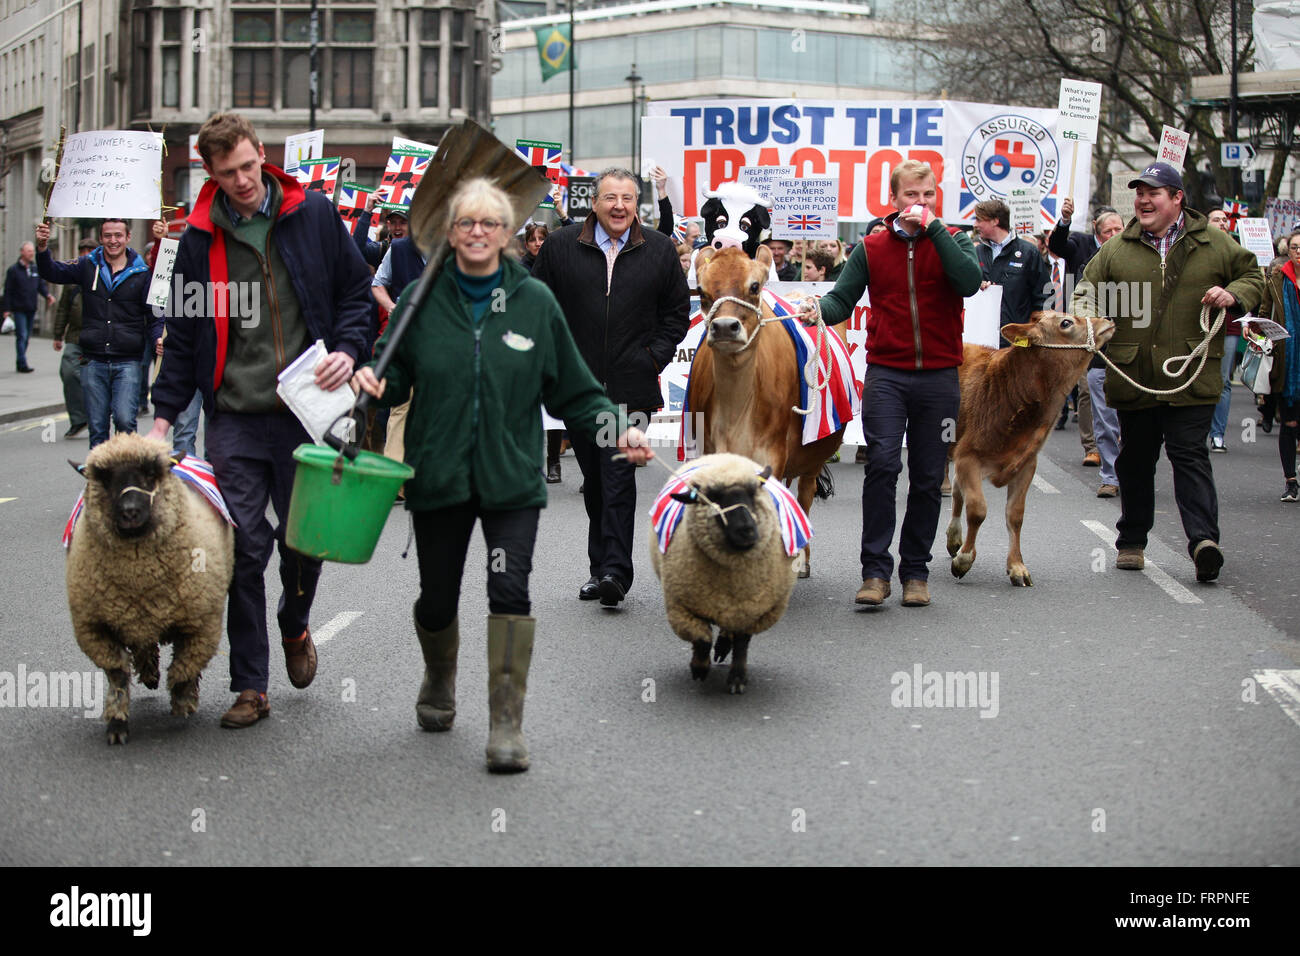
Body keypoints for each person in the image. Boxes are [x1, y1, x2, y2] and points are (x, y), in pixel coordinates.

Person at [353, 177, 652, 771]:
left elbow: (576, 390)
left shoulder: (533, 304)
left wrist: (617, 428)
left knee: (509, 590)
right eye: (467, 223)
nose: (478, 233)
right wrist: (374, 379)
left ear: (507, 235)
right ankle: (440, 676)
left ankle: (505, 722)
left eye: (491, 224)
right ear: (450, 232)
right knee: (435, 599)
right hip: (438, 475)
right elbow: (395, 372)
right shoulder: (420, 297)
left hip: (510, 477)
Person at [146, 111, 372, 728]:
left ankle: (295, 623)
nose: (243, 180)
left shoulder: (313, 215)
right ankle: (251, 685)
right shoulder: (198, 240)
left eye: (249, 166)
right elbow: (186, 336)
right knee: (244, 547)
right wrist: (163, 420)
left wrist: (349, 351)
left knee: (305, 541)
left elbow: (356, 296)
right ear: (210, 174)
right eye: (228, 172)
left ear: (261, 155)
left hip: (308, 414)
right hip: (236, 416)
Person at [1072, 162, 1264, 582]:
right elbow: (1086, 288)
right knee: (1136, 461)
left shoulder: (1215, 242)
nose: (1142, 199)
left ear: (1177, 198)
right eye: (1139, 192)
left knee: (1190, 457)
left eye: (1153, 192)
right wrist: (1088, 320)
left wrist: (1234, 294)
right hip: (1133, 373)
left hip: (1191, 373)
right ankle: (1132, 541)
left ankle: (1203, 543)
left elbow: (1254, 276)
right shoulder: (1117, 248)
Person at [804, 159, 981, 608]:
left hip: (941, 377)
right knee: (882, 465)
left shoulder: (955, 241)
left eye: (928, 196)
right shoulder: (872, 246)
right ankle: (875, 572)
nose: (919, 204)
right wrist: (816, 311)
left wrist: (936, 229)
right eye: (911, 196)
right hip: (886, 375)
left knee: (927, 477)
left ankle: (916, 573)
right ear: (894, 199)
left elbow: (969, 282)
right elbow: (843, 298)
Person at [531, 166, 690, 607]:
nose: (619, 206)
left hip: (630, 387)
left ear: (636, 205)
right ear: (594, 203)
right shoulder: (562, 245)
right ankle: (600, 565)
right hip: (579, 390)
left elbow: (677, 314)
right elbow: (537, 305)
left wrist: (651, 356)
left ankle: (616, 574)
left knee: (618, 475)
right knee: (597, 481)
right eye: (610, 198)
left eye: (627, 199)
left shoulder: (658, 250)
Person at [36, 219, 161, 448]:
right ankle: (99, 482)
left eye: (118, 235)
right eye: (108, 236)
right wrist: (43, 248)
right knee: (97, 426)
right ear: (101, 238)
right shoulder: (87, 265)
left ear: (128, 237)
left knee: (125, 421)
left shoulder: (142, 272)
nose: (113, 241)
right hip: (93, 360)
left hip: (128, 361)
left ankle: (125, 480)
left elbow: (154, 315)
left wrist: (158, 339)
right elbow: (51, 271)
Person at [1051, 199, 1126, 471]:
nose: (1115, 235)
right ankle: (1092, 446)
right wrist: (1065, 220)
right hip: (1085, 328)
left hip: (1119, 327)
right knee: (1086, 387)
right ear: (1097, 230)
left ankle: (1118, 438)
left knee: (1115, 385)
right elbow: (1057, 247)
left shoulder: (1129, 250)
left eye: (1120, 229)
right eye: (1109, 231)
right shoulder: (1080, 245)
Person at [972, 199, 1052, 347]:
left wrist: (1034, 333)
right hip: (982, 341)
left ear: (995, 221)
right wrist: (976, 285)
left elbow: (1044, 296)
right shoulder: (976, 252)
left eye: (979, 219)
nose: (975, 225)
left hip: (1017, 342)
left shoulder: (1028, 253)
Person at [1256, 230, 1300, 501]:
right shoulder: (1276, 278)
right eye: (1294, 247)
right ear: (1288, 250)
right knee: (1291, 422)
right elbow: (1263, 314)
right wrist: (1258, 334)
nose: (1299, 252)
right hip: (1287, 360)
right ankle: (1291, 481)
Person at [50, 238, 98, 439]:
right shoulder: (72, 277)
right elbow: (63, 308)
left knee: (97, 379)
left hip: (99, 337)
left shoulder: (104, 273)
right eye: (82, 250)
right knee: (69, 372)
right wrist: (58, 334)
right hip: (75, 336)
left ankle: (98, 416)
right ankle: (79, 419)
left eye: (90, 250)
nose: (85, 253)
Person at [1205, 206, 1243, 453]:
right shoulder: (1199, 249)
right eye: (1216, 219)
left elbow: (1245, 285)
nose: (1221, 223)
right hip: (1199, 322)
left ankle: (1217, 433)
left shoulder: (1236, 252)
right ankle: (1196, 429)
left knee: (1222, 380)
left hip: (1228, 325)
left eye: (1224, 219)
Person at [4, 241, 54, 373]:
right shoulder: (13, 270)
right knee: (22, 335)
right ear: (22, 252)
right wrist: (7, 309)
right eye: (29, 251)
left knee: (27, 337)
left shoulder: (34, 269)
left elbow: (40, 285)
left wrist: (48, 295)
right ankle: (22, 363)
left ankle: (20, 359)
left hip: (31, 307)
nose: (31, 253)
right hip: (19, 308)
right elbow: (8, 290)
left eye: (32, 251)